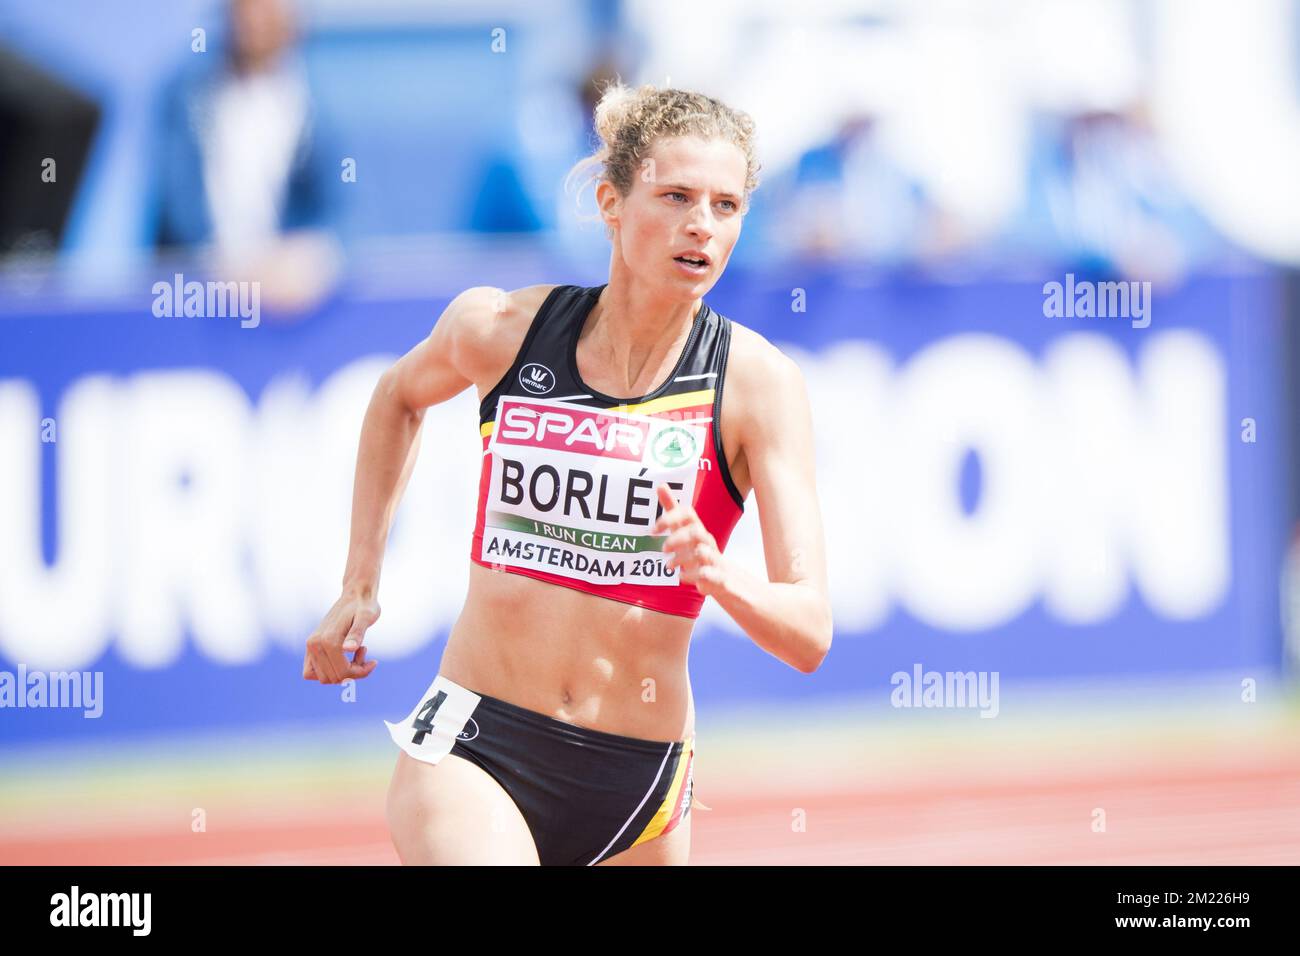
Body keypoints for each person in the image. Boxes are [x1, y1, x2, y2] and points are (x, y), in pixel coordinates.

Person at [303, 82, 833, 866]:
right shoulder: (501, 330)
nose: (701, 226)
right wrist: (357, 581)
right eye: (676, 196)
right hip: (477, 741)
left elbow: (809, 632)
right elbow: (396, 399)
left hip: (638, 784)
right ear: (610, 202)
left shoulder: (757, 385)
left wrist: (721, 576)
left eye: (726, 206)